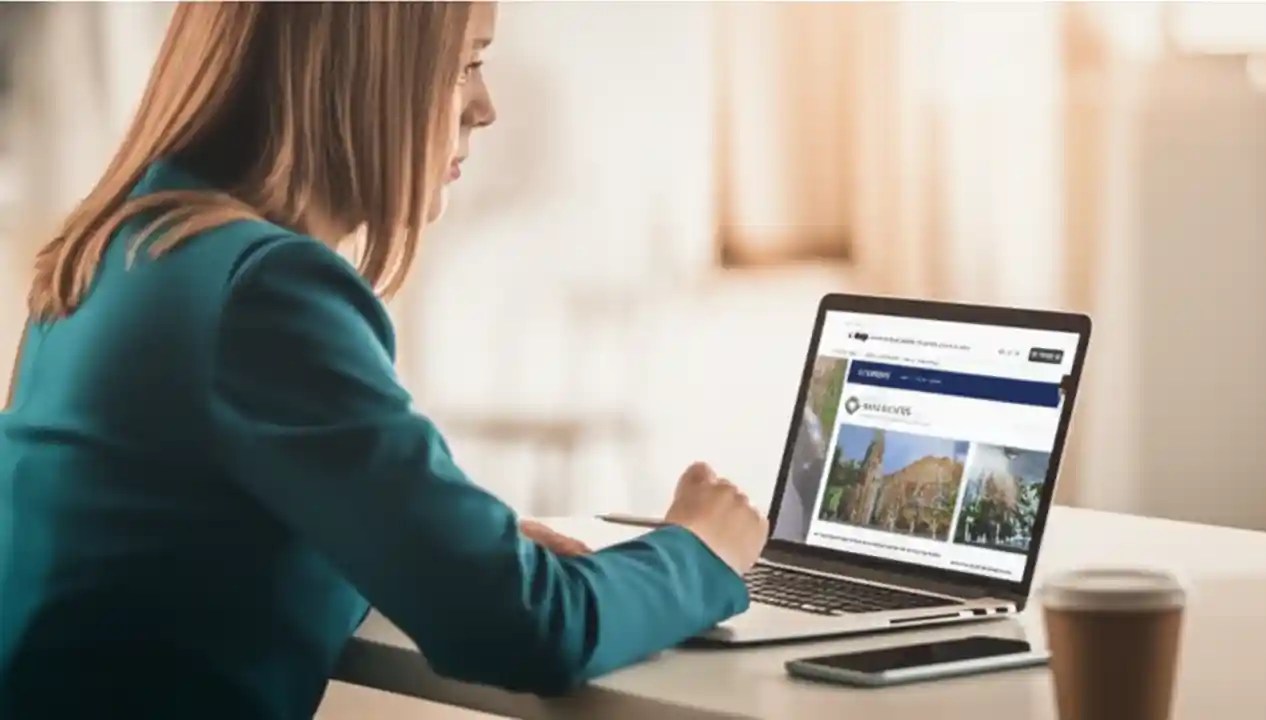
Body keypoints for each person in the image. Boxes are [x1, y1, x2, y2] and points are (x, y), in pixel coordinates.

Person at [0, 4, 768, 719]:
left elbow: (177, 553)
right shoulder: (263, 290)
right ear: (362, 71)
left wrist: (430, 546)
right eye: (466, 64)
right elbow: (520, 627)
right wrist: (697, 551)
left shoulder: (117, 249)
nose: (485, 107)